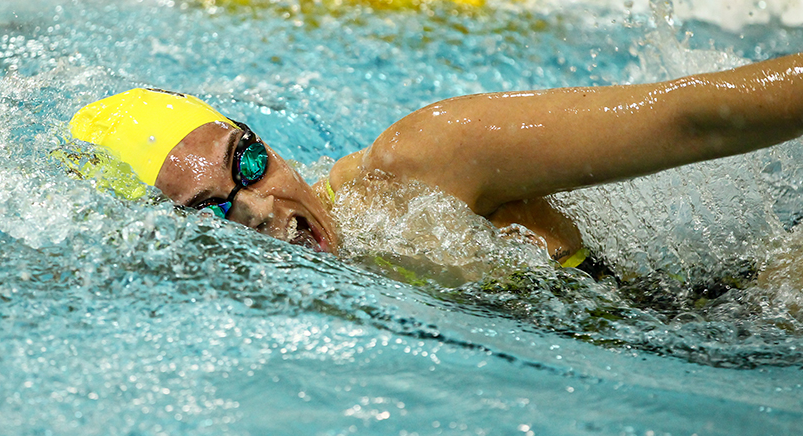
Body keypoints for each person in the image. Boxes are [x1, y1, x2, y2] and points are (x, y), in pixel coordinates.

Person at [67, 52, 803, 270]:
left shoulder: (425, 163)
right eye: (211, 212)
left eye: (249, 163)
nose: (258, 210)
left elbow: (693, 115)